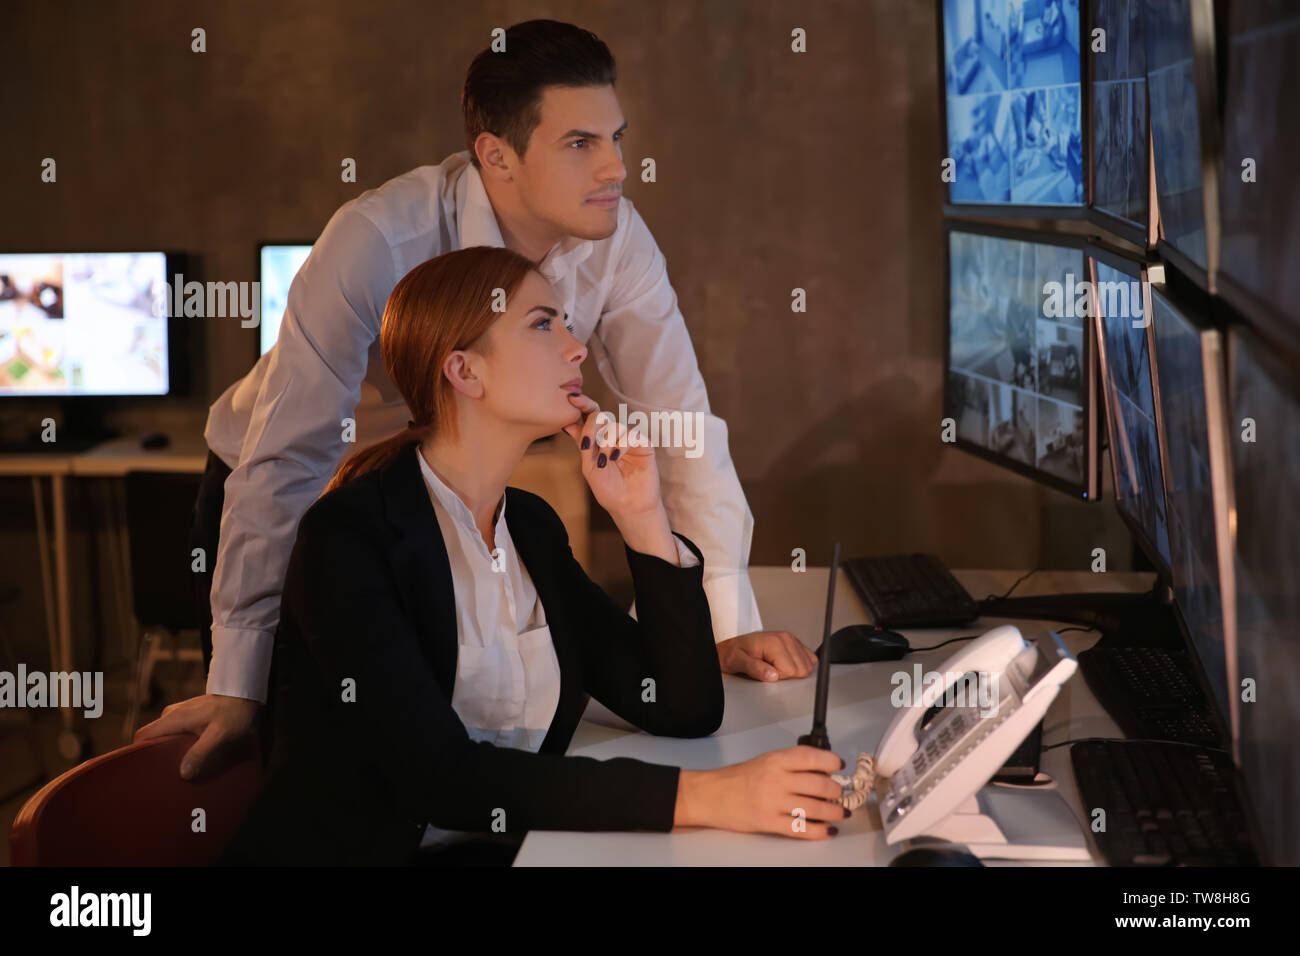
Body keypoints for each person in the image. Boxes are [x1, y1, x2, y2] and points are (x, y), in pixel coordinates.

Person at [137, 19, 815, 780]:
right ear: (496, 155)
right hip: (300, 495)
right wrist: (240, 682)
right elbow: (286, 457)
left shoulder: (616, 239)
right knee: (312, 756)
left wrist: (720, 625)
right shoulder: (377, 241)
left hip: (441, 493)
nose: (619, 168)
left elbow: (680, 420)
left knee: (442, 745)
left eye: (617, 138)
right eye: (581, 143)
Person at [219, 247, 847, 865]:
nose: (576, 347)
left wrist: (641, 516)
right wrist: (713, 796)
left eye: (566, 324)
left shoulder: (530, 526)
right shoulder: (350, 538)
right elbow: (439, 776)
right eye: (543, 324)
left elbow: (680, 707)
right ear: (465, 372)